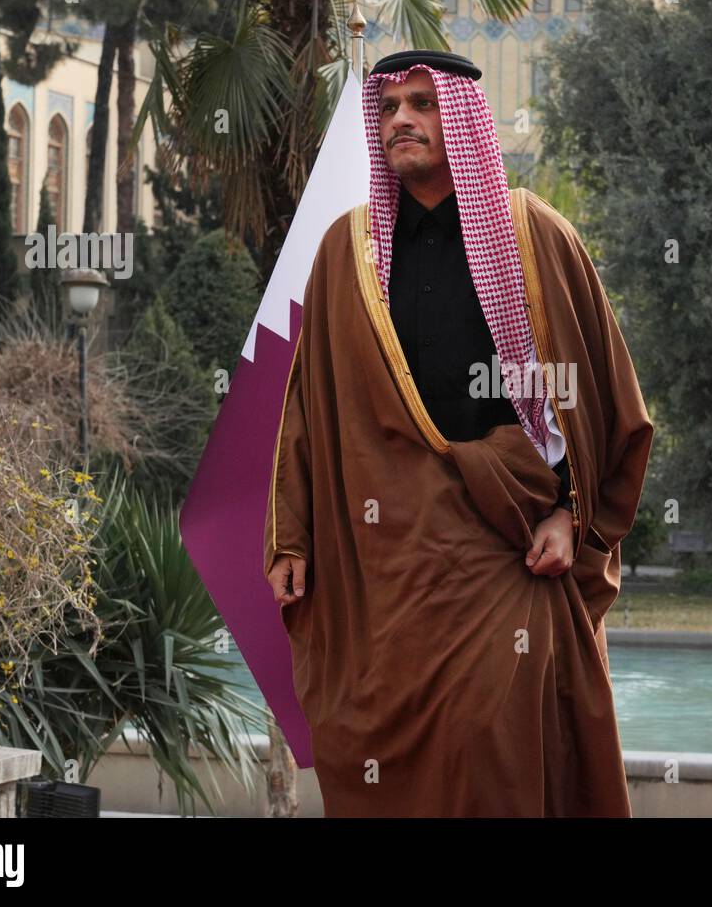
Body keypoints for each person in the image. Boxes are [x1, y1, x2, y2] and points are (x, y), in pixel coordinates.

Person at [264, 49, 653, 816]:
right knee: (381, 755)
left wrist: (570, 517)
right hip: (385, 559)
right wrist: (292, 538)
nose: (401, 119)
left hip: (503, 544)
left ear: (465, 118)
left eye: (423, 103)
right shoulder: (347, 251)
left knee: (494, 744)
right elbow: (308, 407)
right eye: (388, 108)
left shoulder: (532, 235)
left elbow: (602, 398)